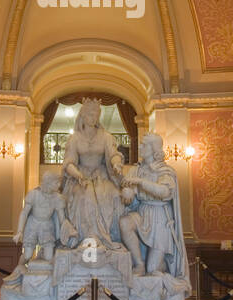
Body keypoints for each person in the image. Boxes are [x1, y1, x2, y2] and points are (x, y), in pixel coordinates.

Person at [119, 133, 189, 283]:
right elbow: (131, 198)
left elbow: (165, 192)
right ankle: (139, 264)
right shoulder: (136, 169)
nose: (140, 147)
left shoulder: (164, 170)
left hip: (160, 219)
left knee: (153, 270)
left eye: (144, 145)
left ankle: (159, 265)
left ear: (153, 148)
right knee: (125, 222)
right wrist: (128, 194)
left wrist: (140, 182)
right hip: (142, 212)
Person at [61, 99, 126, 249]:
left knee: (115, 195)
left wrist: (116, 164)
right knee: (86, 195)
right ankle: (88, 237)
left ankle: (109, 236)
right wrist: (77, 175)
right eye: (90, 114)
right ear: (82, 115)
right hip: (80, 177)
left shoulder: (106, 136)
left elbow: (113, 154)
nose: (93, 117)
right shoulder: (75, 138)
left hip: (101, 176)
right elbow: (69, 163)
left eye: (96, 114)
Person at [12, 171, 72, 264]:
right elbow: (24, 213)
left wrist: (67, 231)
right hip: (32, 224)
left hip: (47, 225)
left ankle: (42, 274)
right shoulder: (34, 194)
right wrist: (19, 231)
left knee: (49, 257)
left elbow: (62, 219)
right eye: (56, 182)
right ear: (48, 183)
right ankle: (19, 268)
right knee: (27, 255)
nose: (59, 185)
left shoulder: (57, 198)